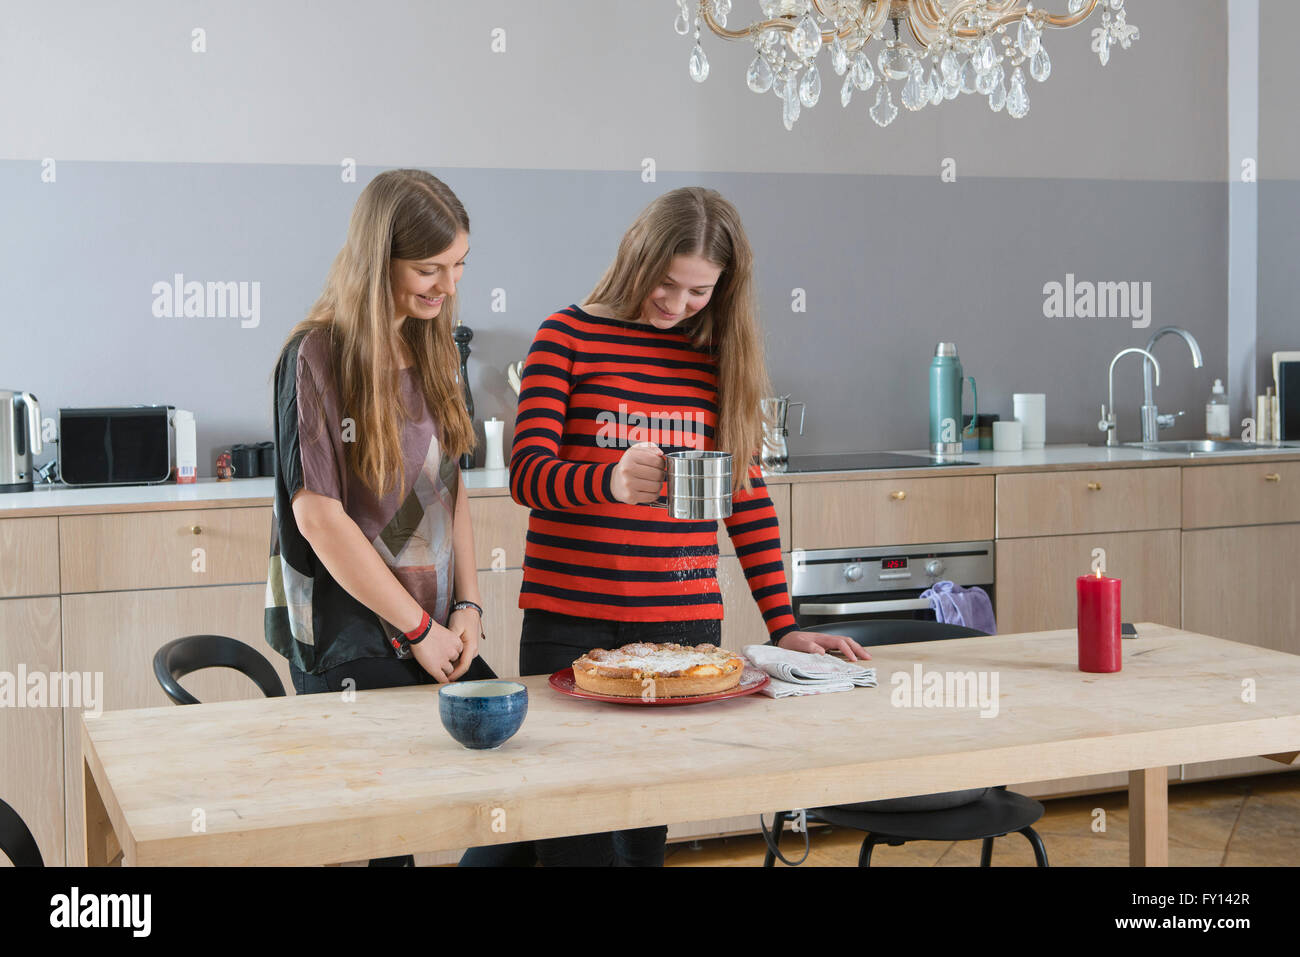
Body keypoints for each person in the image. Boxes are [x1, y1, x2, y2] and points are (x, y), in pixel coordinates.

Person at [505, 186, 870, 867]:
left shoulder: (715, 359)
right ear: (636, 261)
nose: (676, 306)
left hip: (683, 635)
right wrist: (607, 479)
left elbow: (747, 501)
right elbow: (527, 473)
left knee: (643, 838)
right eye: (665, 285)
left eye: (698, 293)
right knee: (570, 834)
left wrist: (783, 623)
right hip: (570, 624)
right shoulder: (567, 336)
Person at [265, 169, 497, 865]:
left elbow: (449, 487)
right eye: (429, 268)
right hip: (353, 636)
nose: (447, 285)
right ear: (378, 259)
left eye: (457, 267)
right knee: (390, 839)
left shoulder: (434, 345)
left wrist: (468, 605)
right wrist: (417, 627)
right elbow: (321, 519)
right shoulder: (316, 354)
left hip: (434, 627)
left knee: (519, 801)